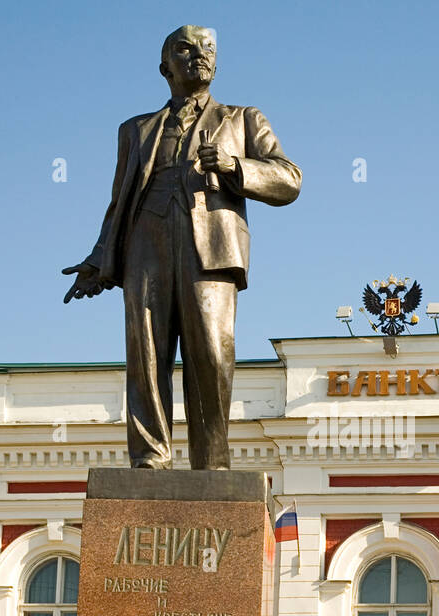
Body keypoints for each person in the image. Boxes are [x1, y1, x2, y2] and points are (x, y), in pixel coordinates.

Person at [62, 24, 300, 469]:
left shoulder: (243, 118)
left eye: (209, 47)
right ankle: (150, 459)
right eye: (186, 48)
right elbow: (121, 201)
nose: (200, 54)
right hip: (146, 245)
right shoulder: (135, 130)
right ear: (164, 67)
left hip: (210, 248)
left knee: (210, 354)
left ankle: (212, 463)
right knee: (146, 353)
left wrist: (235, 167)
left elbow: (288, 179)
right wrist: (101, 259)